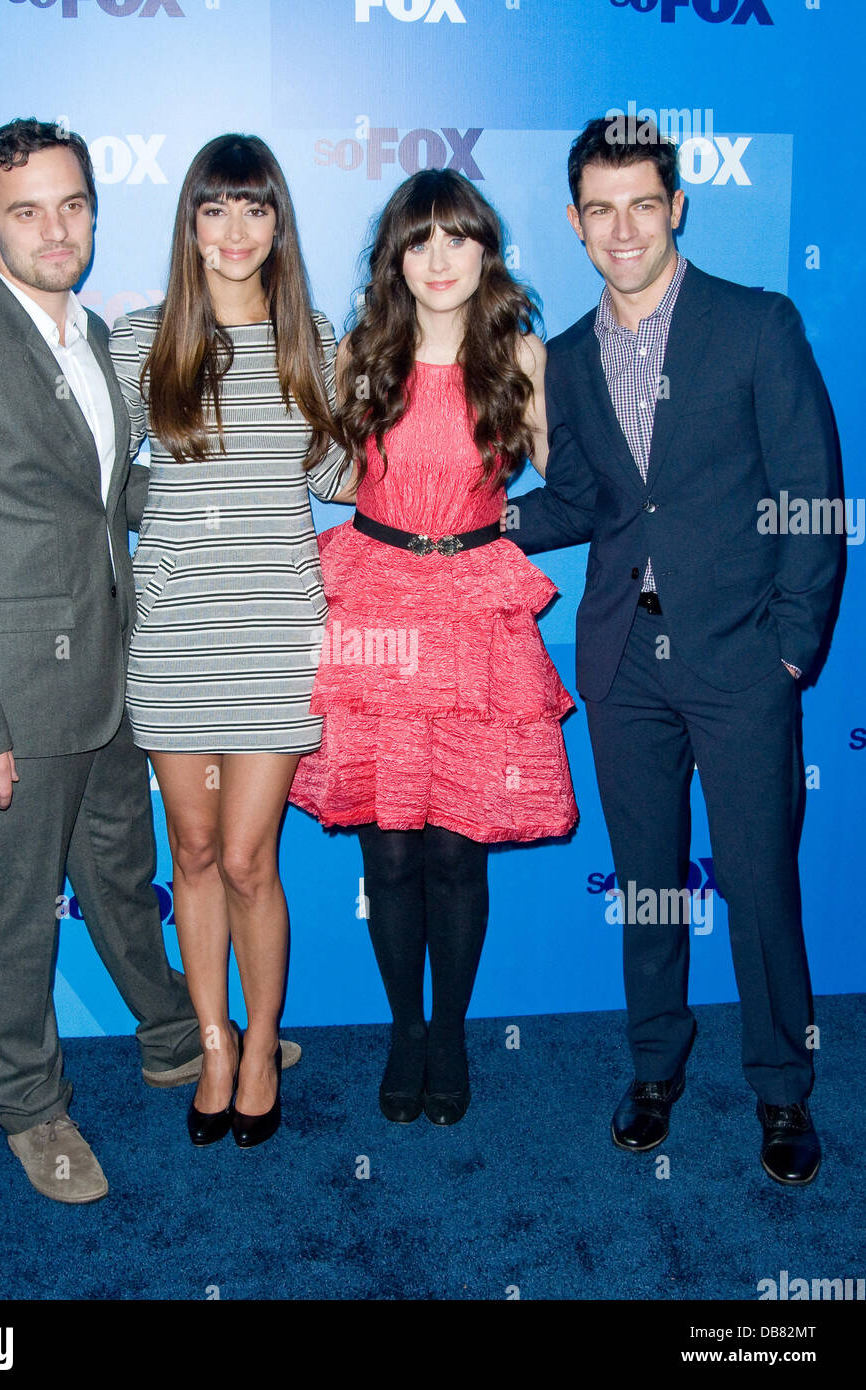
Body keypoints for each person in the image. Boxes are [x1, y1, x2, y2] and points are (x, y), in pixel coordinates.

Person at [508, 116, 841, 1184]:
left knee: (757, 883)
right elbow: (582, 503)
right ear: (572, 221)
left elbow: (808, 495)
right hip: (622, 664)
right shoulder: (562, 359)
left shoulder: (754, 326)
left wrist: (790, 648)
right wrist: (470, 525)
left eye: (641, 204)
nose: (621, 228)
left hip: (741, 659)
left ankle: (780, 1088)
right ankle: (654, 1066)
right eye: (598, 210)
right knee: (647, 884)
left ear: (676, 207)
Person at [0, 119, 209, 1204]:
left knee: (121, 879)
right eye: (25, 209)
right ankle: (30, 1109)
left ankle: (173, 1037)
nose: (53, 227)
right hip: (12, 705)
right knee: (17, 912)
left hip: (106, 679)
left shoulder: (94, 342)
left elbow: (102, 500)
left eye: (71, 204)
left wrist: (209, 502)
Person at [289, 169, 578, 1126]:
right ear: (397, 258)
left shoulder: (522, 357)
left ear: (486, 252)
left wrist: (486, 538)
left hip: (470, 617)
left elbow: (577, 489)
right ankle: (404, 1028)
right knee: (390, 853)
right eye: (422, 240)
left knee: (459, 853)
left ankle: (449, 1031)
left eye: (460, 238)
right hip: (373, 611)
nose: (442, 258)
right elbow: (318, 475)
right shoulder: (362, 354)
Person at [109, 135, 353, 1150]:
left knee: (250, 859)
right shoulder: (137, 339)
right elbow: (97, 484)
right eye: (216, 209)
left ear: (278, 224)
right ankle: (211, 1042)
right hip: (173, 641)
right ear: (190, 224)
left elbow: (340, 482)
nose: (236, 231)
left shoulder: (313, 340)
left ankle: (260, 1045)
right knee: (195, 852)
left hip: (273, 640)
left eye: (255, 209)